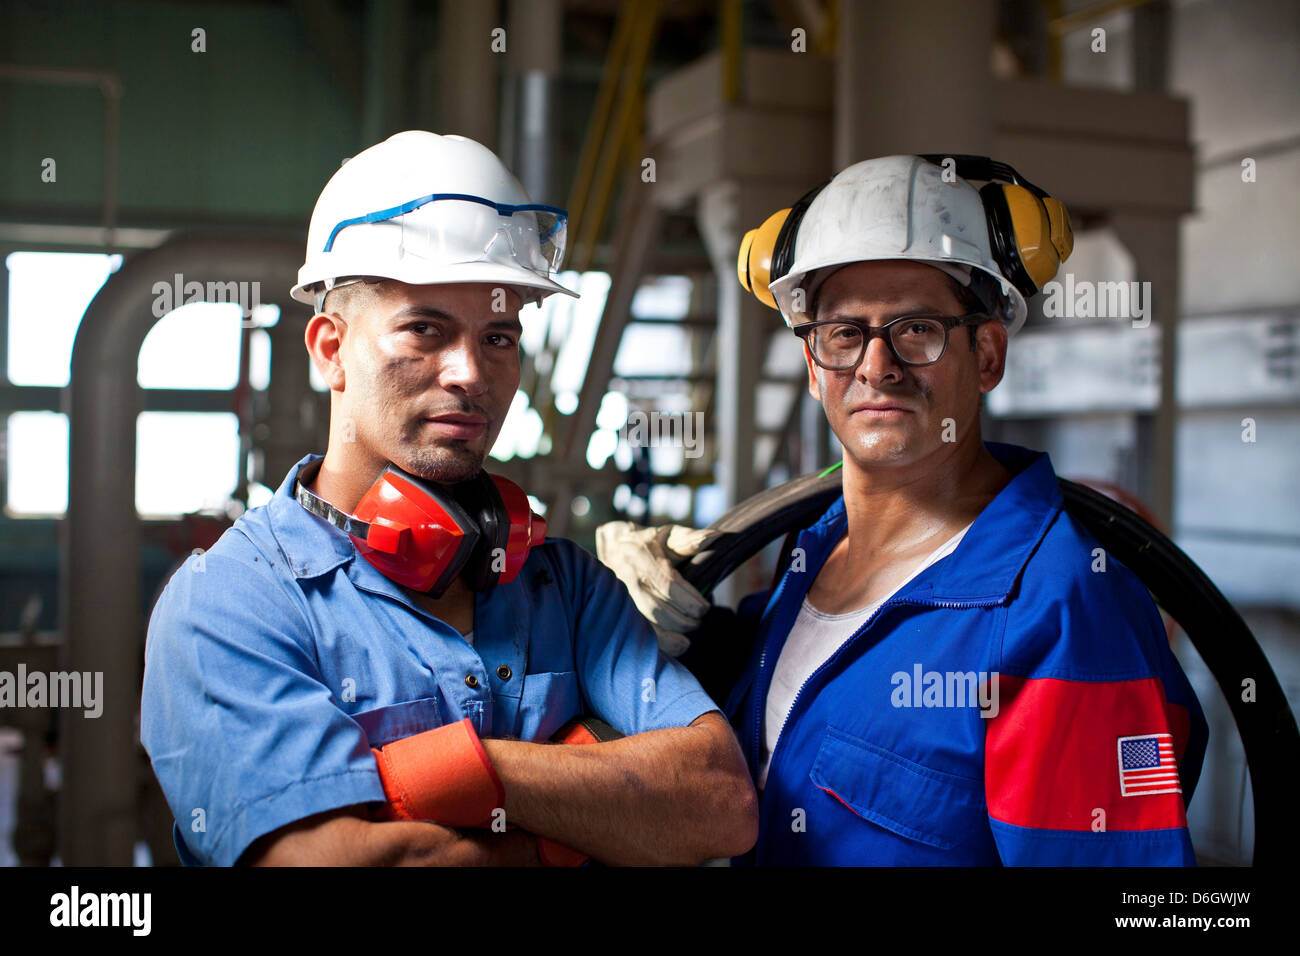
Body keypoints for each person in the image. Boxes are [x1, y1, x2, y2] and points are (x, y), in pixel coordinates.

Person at [140, 131, 757, 867]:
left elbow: (720, 802)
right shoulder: (231, 603)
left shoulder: (566, 587)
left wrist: (443, 775)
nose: (470, 371)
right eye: (424, 329)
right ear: (330, 349)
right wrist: (582, 814)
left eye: (499, 336)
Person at [598, 154, 1208, 865]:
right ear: (813, 364)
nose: (876, 367)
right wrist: (664, 622)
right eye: (845, 333)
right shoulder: (816, 555)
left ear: (987, 353)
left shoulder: (1064, 612)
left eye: (917, 329)